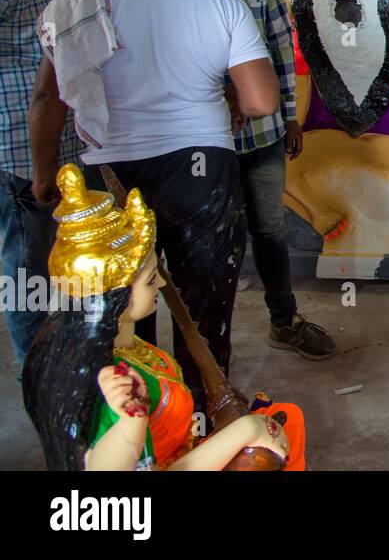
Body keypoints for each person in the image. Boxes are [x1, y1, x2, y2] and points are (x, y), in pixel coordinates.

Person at [28, 0, 280, 410]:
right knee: (203, 303)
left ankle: (141, 422)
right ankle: (202, 410)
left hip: (110, 173)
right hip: (200, 170)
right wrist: (223, 101)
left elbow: (48, 98)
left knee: (123, 307)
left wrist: (45, 176)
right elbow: (260, 102)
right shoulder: (221, 3)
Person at [23, 164, 305, 470]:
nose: (158, 283)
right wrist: (245, 432)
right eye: (148, 280)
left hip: (182, 450)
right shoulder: (113, 385)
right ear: (114, 296)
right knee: (265, 445)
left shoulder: (125, 348)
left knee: (288, 419)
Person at [188, 0, 334, 360]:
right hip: (205, 139)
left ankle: (284, 320)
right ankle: (207, 347)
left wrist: (288, 114)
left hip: (264, 131)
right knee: (212, 239)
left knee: (269, 231)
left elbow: (279, 43)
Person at [1, 0, 102, 368]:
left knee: (81, 277)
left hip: (76, 150)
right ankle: (44, 391)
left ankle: (82, 379)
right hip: (19, 155)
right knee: (30, 282)